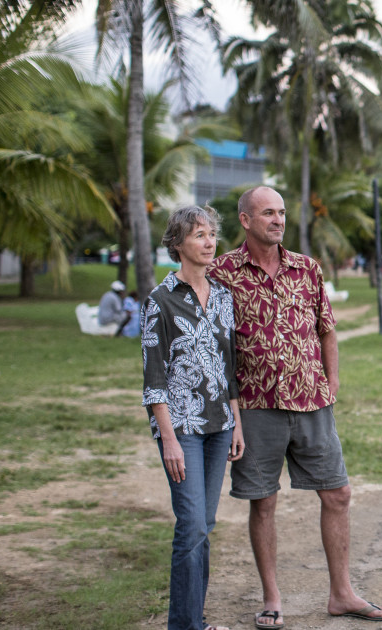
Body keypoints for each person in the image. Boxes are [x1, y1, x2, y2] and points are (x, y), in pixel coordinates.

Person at [208, 186, 382, 629]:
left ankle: (342, 593)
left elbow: (326, 330)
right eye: (267, 213)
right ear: (245, 220)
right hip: (255, 407)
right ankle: (272, 598)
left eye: (281, 213)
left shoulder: (306, 269)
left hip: (312, 401)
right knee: (263, 501)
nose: (277, 220)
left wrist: (331, 384)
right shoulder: (222, 273)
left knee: (338, 493)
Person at [142, 205, 245, 630]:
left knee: (205, 525)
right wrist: (167, 439)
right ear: (177, 243)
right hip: (181, 429)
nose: (209, 242)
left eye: (212, 234)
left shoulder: (223, 296)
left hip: (220, 426)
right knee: (192, 527)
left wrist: (236, 421)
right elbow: (154, 377)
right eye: (200, 235)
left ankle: (192, 620)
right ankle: (184, 626)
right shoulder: (159, 301)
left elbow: (229, 367)